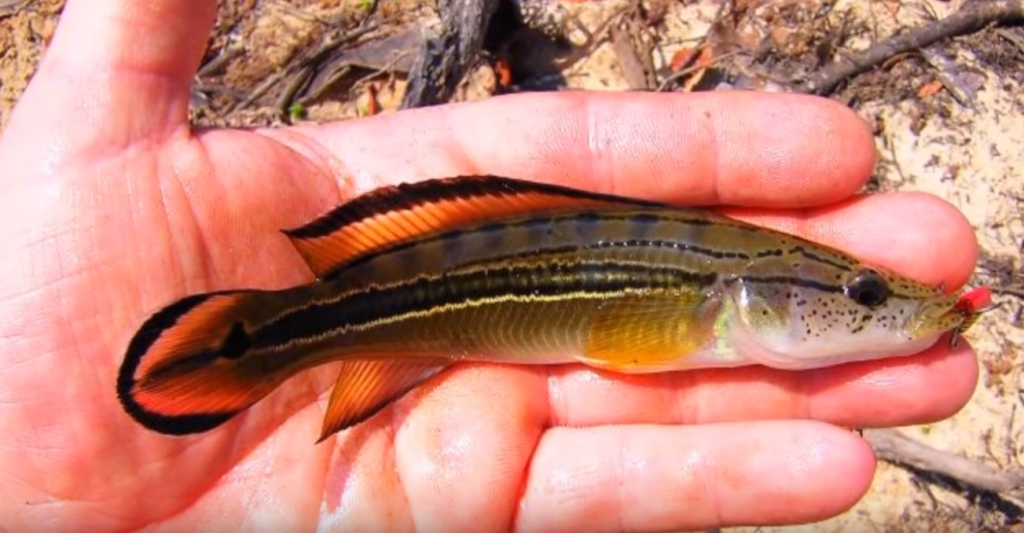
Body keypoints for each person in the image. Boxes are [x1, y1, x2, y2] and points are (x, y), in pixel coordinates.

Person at [0, 0, 981, 531]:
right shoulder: (715, 296)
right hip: (381, 301)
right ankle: (275, 338)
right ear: (758, 291)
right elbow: (617, 342)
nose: (878, 302)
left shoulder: (733, 293)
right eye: (860, 290)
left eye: (867, 292)